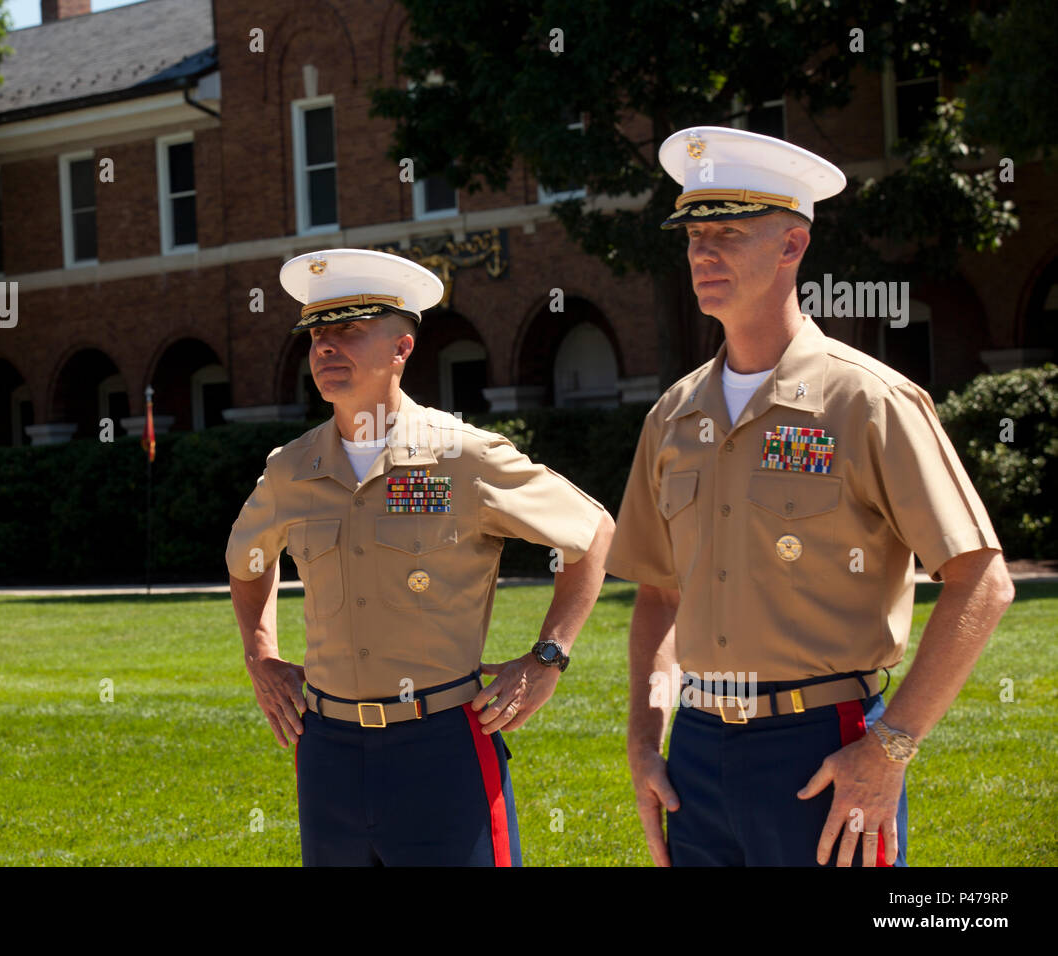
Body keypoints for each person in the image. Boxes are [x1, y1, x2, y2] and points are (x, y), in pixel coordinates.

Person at [606, 126, 1015, 867]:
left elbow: (982, 582)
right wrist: (643, 742)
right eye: (694, 235)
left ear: (792, 246)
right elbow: (659, 596)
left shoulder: (867, 400)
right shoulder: (672, 416)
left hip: (824, 749)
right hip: (695, 752)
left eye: (727, 232)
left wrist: (889, 750)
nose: (702, 253)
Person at [225, 248, 614, 866]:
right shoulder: (290, 469)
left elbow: (592, 533)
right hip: (326, 750)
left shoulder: (463, 456)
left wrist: (548, 657)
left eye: (348, 329)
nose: (326, 347)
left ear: (401, 348)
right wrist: (260, 658)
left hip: (442, 747)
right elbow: (247, 562)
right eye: (317, 334)